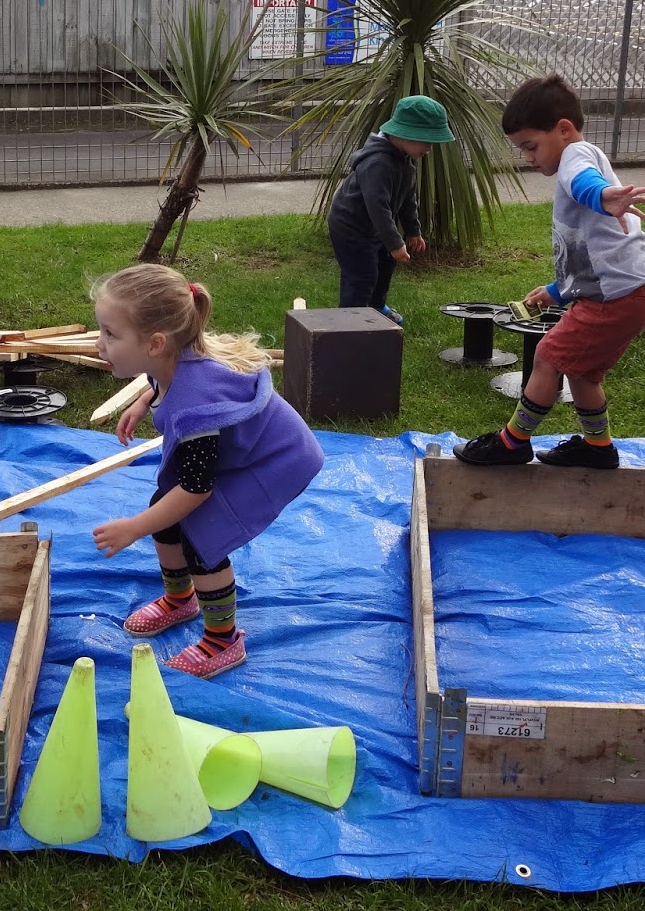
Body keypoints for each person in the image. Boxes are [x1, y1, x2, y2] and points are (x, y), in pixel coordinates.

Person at [90, 264, 325, 678]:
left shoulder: (195, 407)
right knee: (164, 507)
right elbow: (162, 379)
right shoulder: (171, 360)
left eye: (111, 334)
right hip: (242, 446)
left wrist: (134, 528)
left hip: (277, 460)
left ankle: (223, 640)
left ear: (156, 343)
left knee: (203, 538)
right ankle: (181, 599)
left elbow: (197, 490)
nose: (99, 343)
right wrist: (145, 400)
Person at [454, 75, 645, 470]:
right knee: (583, 372)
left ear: (564, 130)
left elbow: (584, 182)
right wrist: (556, 290)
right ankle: (598, 448)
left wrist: (604, 196)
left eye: (531, 146)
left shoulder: (576, 157)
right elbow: (590, 258)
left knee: (549, 354)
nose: (528, 158)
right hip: (630, 289)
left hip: (621, 294)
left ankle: (512, 442)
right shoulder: (579, 156)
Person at [327, 94, 456, 326]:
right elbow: (378, 207)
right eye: (426, 141)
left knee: (386, 266)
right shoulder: (378, 163)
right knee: (362, 275)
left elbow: (408, 197)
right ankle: (348, 322)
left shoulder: (405, 159)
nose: (429, 148)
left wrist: (413, 231)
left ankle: (376, 306)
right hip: (351, 228)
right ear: (404, 134)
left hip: (376, 228)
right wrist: (395, 244)